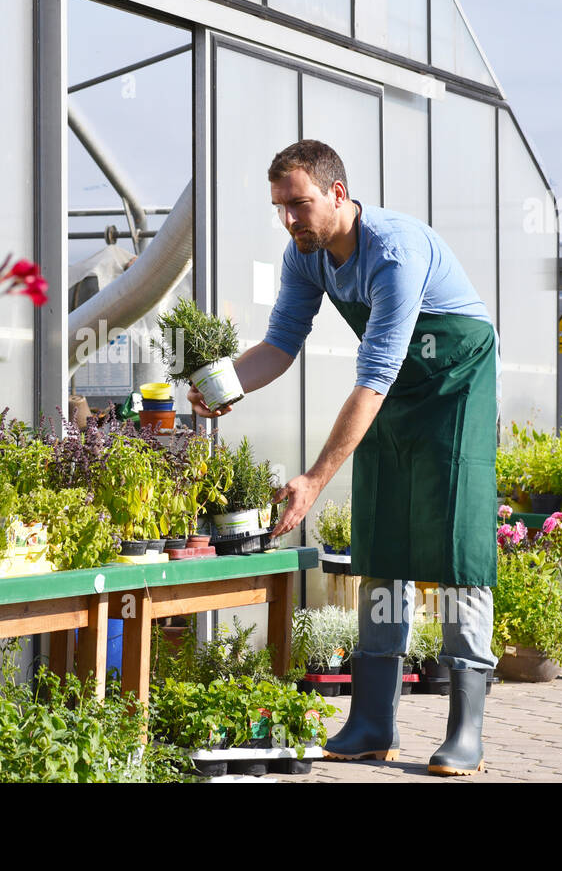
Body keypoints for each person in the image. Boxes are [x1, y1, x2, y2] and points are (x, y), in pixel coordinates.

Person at [187, 139, 498, 777]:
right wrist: (225, 385)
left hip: (454, 381)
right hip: (391, 388)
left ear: (337, 193)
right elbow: (279, 344)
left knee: (457, 547)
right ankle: (373, 721)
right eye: (280, 208)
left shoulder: (395, 252)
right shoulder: (306, 257)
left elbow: (377, 369)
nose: (289, 220)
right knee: (381, 538)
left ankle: (467, 726)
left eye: (299, 204)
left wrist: (314, 478)